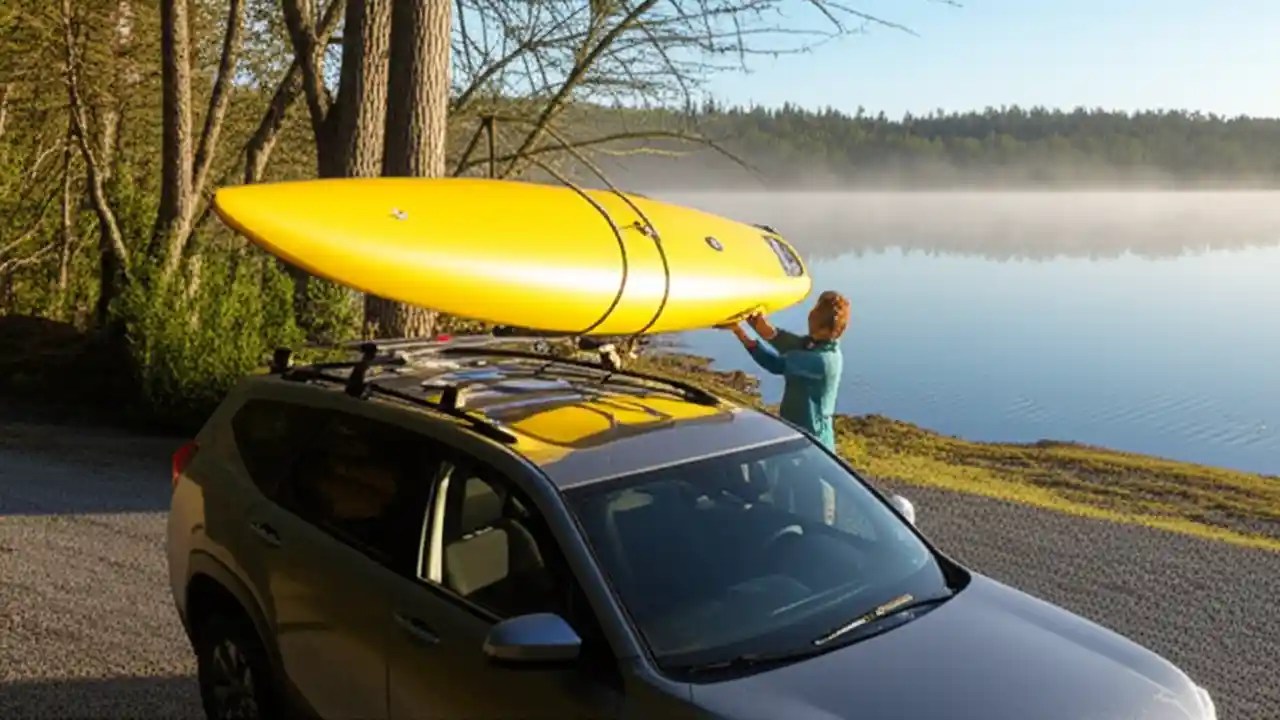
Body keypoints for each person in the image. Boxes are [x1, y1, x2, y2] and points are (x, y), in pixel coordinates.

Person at [720, 291, 850, 450]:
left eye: (814, 316)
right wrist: (759, 324)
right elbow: (786, 341)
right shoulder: (818, 344)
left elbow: (774, 363)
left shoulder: (822, 361)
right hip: (792, 430)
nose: (810, 318)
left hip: (812, 441)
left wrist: (739, 331)